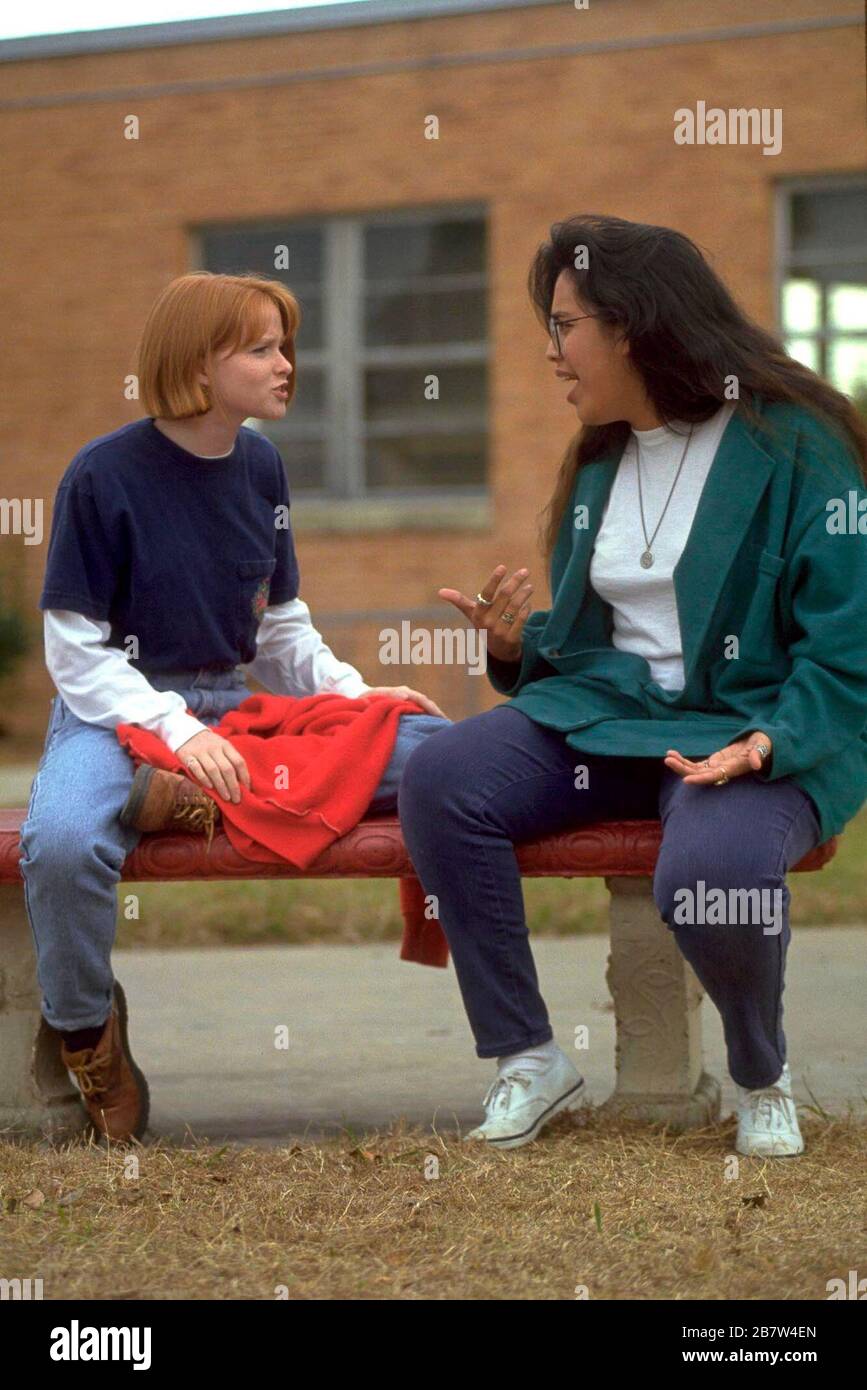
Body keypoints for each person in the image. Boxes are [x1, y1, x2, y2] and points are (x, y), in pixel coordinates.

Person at [398, 213, 867, 1157]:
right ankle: (529, 1057)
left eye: (565, 325)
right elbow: (596, 645)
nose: (551, 351)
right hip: (611, 722)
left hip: (756, 725)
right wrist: (511, 648)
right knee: (443, 777)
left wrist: (767, 746)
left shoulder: (797, 446)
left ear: (632, 326)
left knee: (710, 873)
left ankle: (758, 1072)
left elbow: (848, 646)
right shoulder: (602, 456)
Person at [21, 271, 449, 1143]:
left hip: (235, 713)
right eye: (261, 348)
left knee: (443, 754)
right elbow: (73, 649)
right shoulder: (102, 476)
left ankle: (186, 801)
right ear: (197, 364)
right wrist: (172, 732)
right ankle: (87, 1030)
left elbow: (280, 629)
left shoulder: (261, 464)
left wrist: (358, 697)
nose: (286, 364)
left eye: (284, 345)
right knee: (62, 842)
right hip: (117, 714)